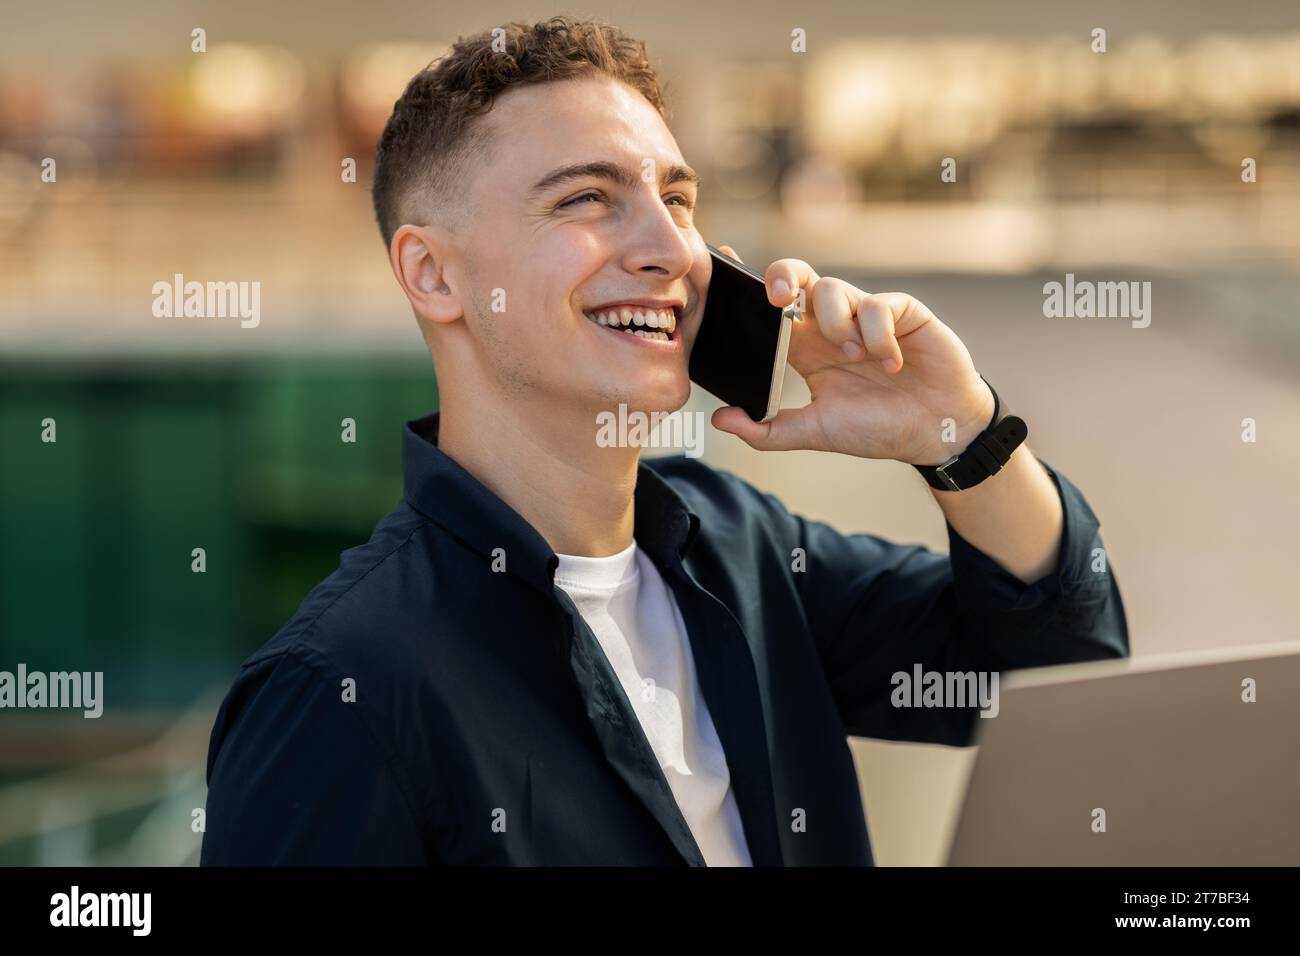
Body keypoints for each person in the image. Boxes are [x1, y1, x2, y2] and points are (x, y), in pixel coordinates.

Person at [201, 16, 1128, 866]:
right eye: (587, 200)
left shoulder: (742, 547)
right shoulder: (336, 693)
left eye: (677, 198)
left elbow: (1059, 674)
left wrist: (958, 437)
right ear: (434, 273)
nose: (672, 249)